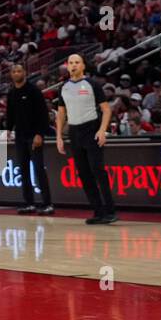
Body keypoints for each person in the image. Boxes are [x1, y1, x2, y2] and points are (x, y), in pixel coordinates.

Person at [54, 54, 117, 225]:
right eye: (71, 63)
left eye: (77, 62)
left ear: (83, 66)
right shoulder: (64, 87)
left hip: (91, 129)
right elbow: (61, 114)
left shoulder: (92, 84)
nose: (74, 65)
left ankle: (110, 211)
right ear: (67, 66)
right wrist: (59, 136)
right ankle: (98, 212)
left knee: (98, 170)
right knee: (83, 174)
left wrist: (102, 130)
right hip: (74, 132)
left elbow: (106, 110)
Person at [6, 62, 53, 214]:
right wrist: (8, 130)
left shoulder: (33, 91)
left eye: (19, 71)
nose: (16, 73)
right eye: (14, 71)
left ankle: (48, 203)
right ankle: (29, 203)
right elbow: (10, 114)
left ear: (24, 73)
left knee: (39, 169)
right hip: (20, 136)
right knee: (23, 170)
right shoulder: (11, 93)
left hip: (34, 136)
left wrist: (40, 134)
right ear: (11, 75)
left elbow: (42, 114)